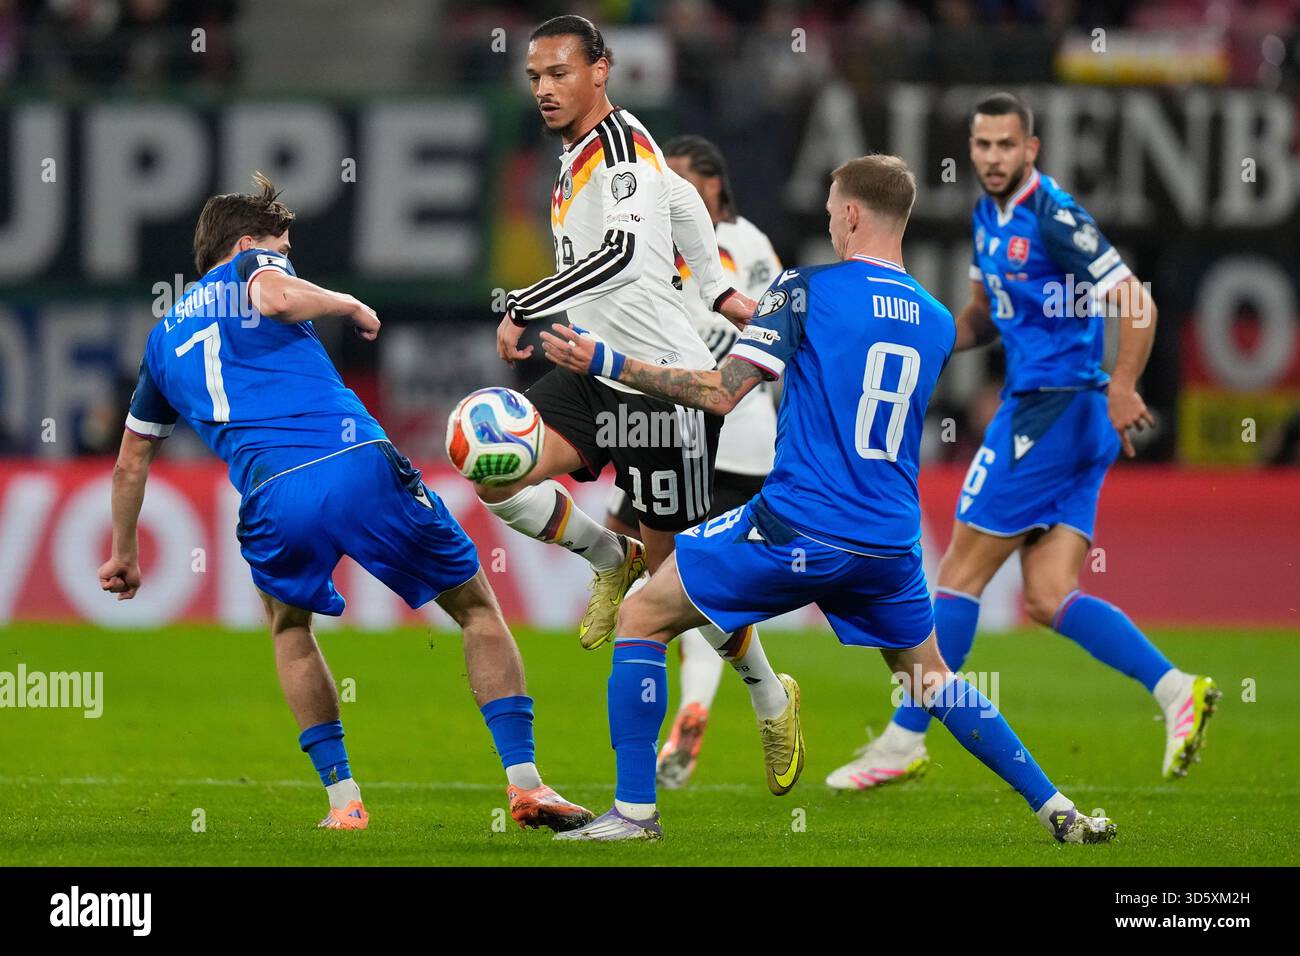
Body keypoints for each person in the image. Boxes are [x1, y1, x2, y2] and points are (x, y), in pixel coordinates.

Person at [541, 154, 1117, 845]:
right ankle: (1058, 809)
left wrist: (608, 363)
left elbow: (721, 391)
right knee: (932, 680)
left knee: (639, 617)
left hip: (800, 525)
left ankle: (634, 815)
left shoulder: (804, 289)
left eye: (830, 216)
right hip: (890, 544)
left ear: (850, 214)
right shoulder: (935, 321)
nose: (830, 228)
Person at [98, 173, 592, 833]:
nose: (287, 258)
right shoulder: (251, 266)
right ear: (248, 243)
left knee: (290, 629)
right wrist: (345, 302)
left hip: (272, 497)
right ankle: (527, 786)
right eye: (283, 245)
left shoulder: (162, 343)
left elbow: (132, 460)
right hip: (352, 462)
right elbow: (273, 293)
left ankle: (344, 802)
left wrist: (124, 552)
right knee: (476, 610)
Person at [826, 93, 1218, 792]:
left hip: (1053, 413)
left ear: (1031, 150)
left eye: (1007, 146)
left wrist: (1125, 385)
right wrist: (928, 339)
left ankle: (905, 737)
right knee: (1047, 595)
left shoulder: (1053, 216)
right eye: (983, 147)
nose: (994, 158)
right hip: (1069, 422)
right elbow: (982, 316)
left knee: (959, 576)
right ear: (971, 150)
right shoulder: (987, 216)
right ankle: (1174, 690)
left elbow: (1137, 300)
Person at [469, 15, 800, 788]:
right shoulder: (601, 148)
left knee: (679, 591)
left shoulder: (616, 151)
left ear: (601, 71)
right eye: (535, 77)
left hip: (660, 387)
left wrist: (525, 303)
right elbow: (682, 197)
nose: (545, 89)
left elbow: (618, 256)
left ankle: (769, 697)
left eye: (559, 73)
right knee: (494, 472)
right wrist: (714, 283)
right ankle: (604, 555)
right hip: (591, 375)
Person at [601, 134, 782, 790]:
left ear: (713, 185)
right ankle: (708, 702)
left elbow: (765, 333)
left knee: (679, 581)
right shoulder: (652, 242)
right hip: (666, 425)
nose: (664, 192)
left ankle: (697, 706)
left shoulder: (747, 245)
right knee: (662, 573)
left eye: (678, 180)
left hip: (724, 434)